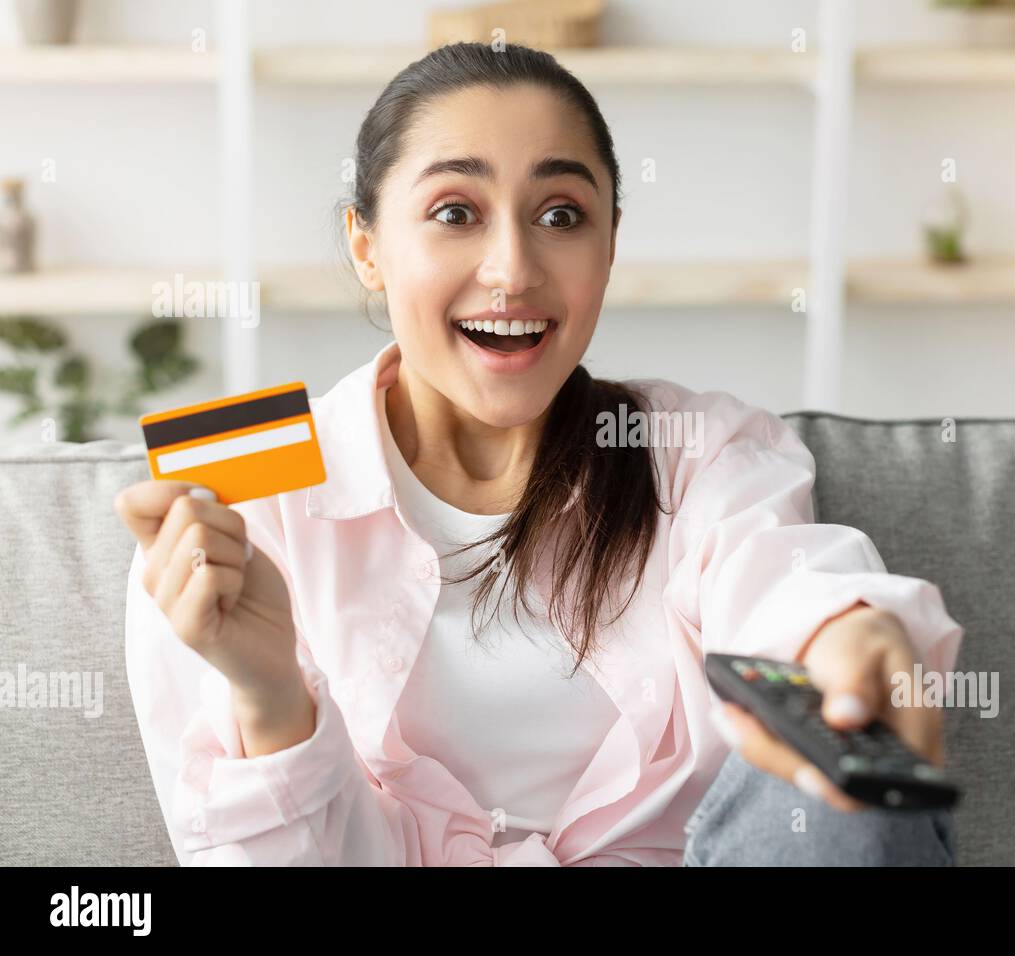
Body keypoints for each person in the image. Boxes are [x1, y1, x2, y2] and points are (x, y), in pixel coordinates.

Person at [113, 42, 962, 866]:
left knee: (830, 785)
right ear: (366, 246)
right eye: (455, 213)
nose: (512, 270)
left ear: (610, 244)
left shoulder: (694, 450)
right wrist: (270, 697)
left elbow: (786, 582)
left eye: (561, 215)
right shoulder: (230, 480)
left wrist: (843, 638)